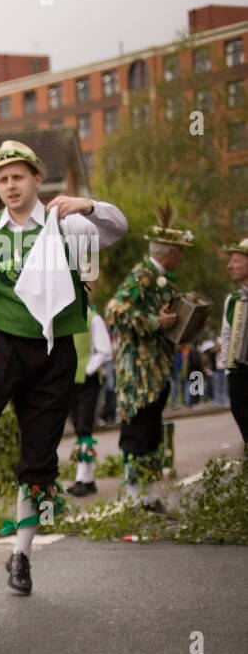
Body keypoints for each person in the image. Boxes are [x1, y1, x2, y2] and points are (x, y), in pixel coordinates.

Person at [0, 140, 126, 593]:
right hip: (2, 344)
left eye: (18, 177)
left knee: (39, 458)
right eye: (2, 180)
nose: (10, 186)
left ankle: (20, 557)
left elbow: (117, 228)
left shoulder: (68, 227)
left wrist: (88, 204)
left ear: (36, 179)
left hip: (55, 353)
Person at [106, 211, 192, 501]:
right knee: (138, 429)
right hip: (139, 371)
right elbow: (115, 311)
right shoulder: (142, 275)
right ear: (169, 253)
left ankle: (148, 494)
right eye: (180, 253)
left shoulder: (159, 277)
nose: (182, 259)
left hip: (156, 366)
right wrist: (156, 321)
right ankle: (133, 495)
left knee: (151, 430)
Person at [65, 303, 113, 496]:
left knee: (84, 427)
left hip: (88, 380)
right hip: (72, 380)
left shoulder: (93, 318)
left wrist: (87, 369)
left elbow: (105, 350)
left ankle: (81, 479)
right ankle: (88, 479)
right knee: (78, 426)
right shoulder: (67, 317)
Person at [220, 237, 248, 440]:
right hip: (241, 377)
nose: (230, 266)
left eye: (236, 261)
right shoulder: (233, 300)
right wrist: (230, 372)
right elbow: (227, 338)